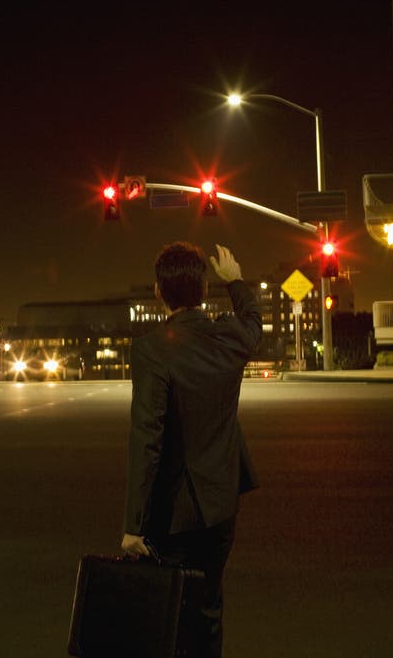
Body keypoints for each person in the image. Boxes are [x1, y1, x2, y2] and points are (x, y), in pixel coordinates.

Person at [121, 242, 261, 657]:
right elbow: (253, 321)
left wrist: (134, 523)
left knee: (170, 614)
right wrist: (235, 281)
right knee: (209, 608)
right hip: (221, 505)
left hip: (175, 512)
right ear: (203, 288)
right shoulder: (230, 337)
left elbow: (147, 437)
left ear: (159, 292)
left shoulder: (151, 350)